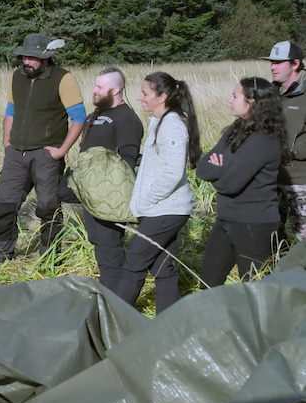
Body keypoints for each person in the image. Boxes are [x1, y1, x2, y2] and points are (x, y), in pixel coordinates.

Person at [0, 33, 85, 268]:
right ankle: (0, 257)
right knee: (4, 205)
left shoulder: (64, 78)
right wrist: (7, 141)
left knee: (48, 208)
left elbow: (79, 118)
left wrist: (60, 152)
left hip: (46, 156)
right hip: (15, 155)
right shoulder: (16, 77)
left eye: (32, 58)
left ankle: (49, 259)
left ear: (46, 58)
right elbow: (10, 111)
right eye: (24, 57)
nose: (26, 62)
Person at [114, 72, 201, 312]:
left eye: (145, 93)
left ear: (163, 96)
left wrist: (148, 199)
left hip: (165, 210)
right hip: (161, 209)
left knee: (134, 265)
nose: (140, 98)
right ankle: (168, 320)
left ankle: (114, 320)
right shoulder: (159, 120)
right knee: (164, 269)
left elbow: (173, 173)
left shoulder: (172, 124)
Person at [196, 78, 286, 287]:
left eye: (235, 96)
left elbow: (231, 184)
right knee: (208, 283)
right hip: (226, 219)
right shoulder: (236, 129)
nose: (229, 100)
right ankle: (211, 320)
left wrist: (220, 168)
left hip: (254, 224)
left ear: (252, 102)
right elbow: (202, 167)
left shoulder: (265, 138)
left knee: (253, 289)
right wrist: (226, 169)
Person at [77, 68, 143, 292]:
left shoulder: (127, 118)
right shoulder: (92, 116)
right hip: (90, 192)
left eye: (100, 87)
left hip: (110, 194)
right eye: (95, 86)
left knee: (110, 245)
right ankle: (109, 288)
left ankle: (115, 296)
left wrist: (112, 193)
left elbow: (127, 160)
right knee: (98, 241)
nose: (94, 91)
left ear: (115, 90)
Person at [261, 42, 306, 240]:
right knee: (271, 236)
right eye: (272, 62)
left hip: (300, 181)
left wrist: (294, 152)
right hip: (271, 178)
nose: (273, 67)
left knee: (303, 240)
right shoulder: (269, 94)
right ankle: (278, 270)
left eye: (278, 62)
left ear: (295, 64)